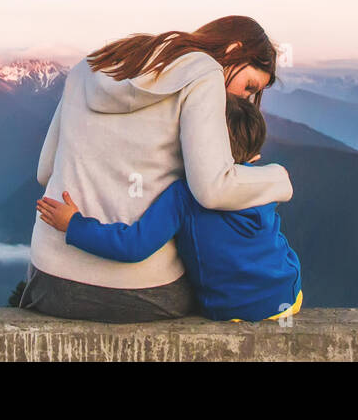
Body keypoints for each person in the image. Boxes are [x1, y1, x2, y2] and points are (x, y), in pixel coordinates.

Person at [19, 15, 293, 322]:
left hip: (48, 283)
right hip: (142, 294)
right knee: (225, 294)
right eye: (250, 86)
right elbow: (213, 190)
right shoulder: (205, 75)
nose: (245, 99)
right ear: (232, 51)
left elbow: (46, 171)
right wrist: (278, 179)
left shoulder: (90, 65)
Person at [36, 95, 301, 322]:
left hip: (231, 309)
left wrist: (74, 224)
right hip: (288, 293)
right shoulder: (262, 183)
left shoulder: (183, 196)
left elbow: (133, 246)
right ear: (254, 157)